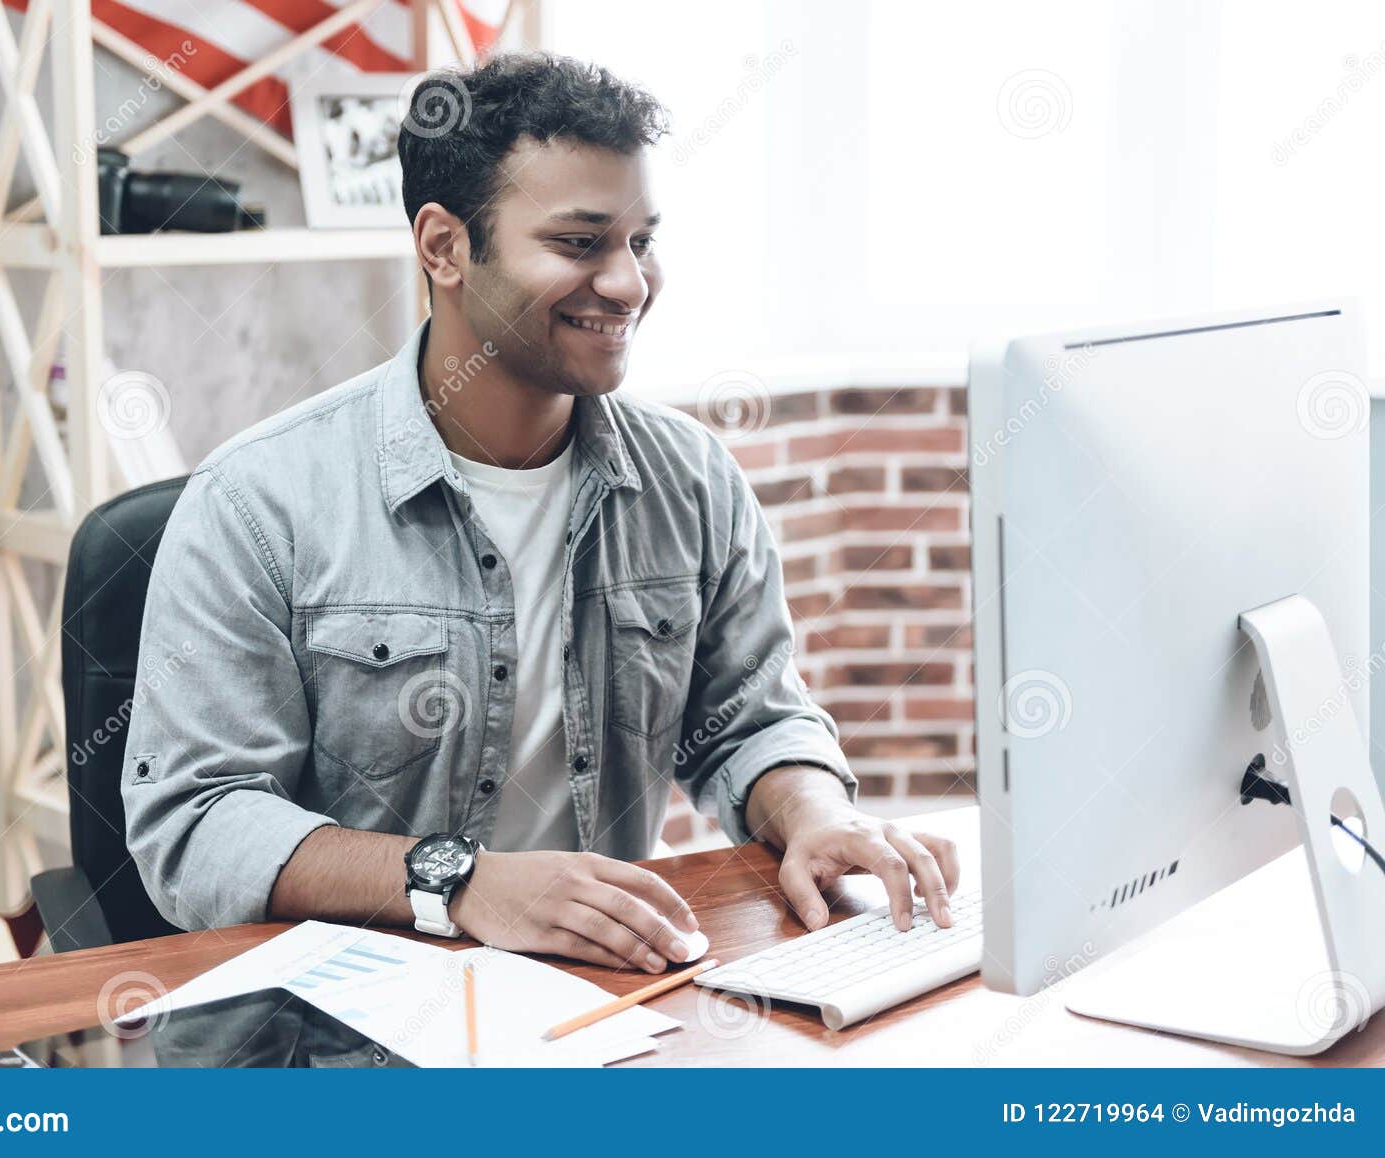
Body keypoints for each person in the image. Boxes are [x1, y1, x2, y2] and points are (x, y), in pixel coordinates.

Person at [122, 52, 958, 1010]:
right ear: (444, 247)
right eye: (580, 242)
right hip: (341, 1040)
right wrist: (462, 883)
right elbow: (196, 824)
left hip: (607, 1014)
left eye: (643, 240)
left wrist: (813, 812)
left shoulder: (688, 482)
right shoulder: (259, 503)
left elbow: (752, 721)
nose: (629, 283)